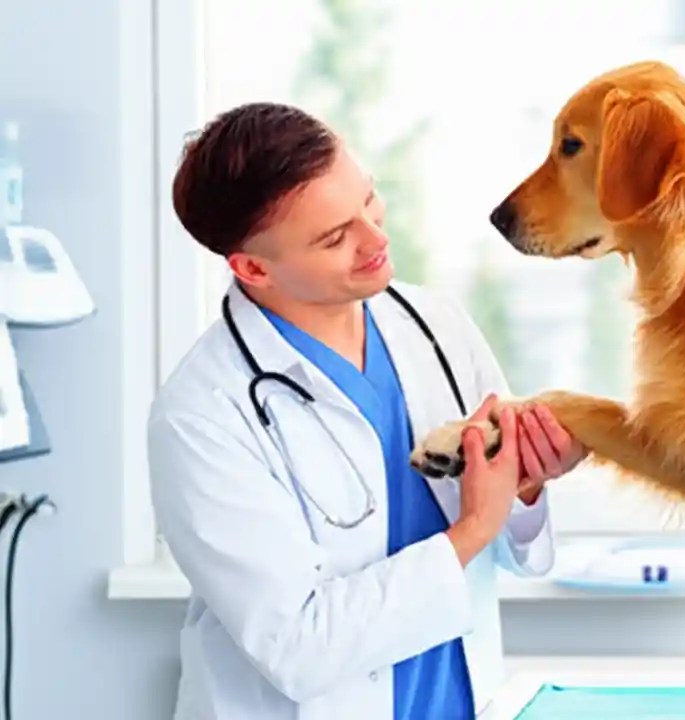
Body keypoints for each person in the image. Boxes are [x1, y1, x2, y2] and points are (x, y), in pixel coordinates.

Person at [147, 101, 585, 719]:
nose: (376, 239)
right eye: (334, 237)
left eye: (368, 201)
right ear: (252, 267)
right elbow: (296, 648)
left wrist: (526, 486)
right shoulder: (201, 417)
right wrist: (471, 530)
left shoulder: (436, 327)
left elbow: (519, 555)